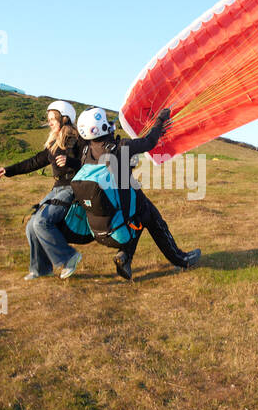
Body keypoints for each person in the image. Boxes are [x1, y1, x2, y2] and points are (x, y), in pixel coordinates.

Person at [71, 106, 201, 281]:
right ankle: (182, 260)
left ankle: (125, 257)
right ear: (101, 126)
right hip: (122, 222)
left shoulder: (86, 153)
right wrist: (161, 119)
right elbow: (150, 142)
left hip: (100, 229)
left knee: (138, 219)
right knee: (156, 223)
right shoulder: (121, 147)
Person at [0, 100, 85, 280]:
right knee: (31, 225)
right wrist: (9, 170)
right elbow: (34, 162)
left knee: (41, 223)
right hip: (57, 188)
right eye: (49, 119)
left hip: (72, 188)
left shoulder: (77, 140)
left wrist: (71, 162)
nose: (50, 122)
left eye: (53, 118)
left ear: (65, 118)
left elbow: (89, 163)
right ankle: (41, 269)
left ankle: (69, 257)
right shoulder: (53, 144)